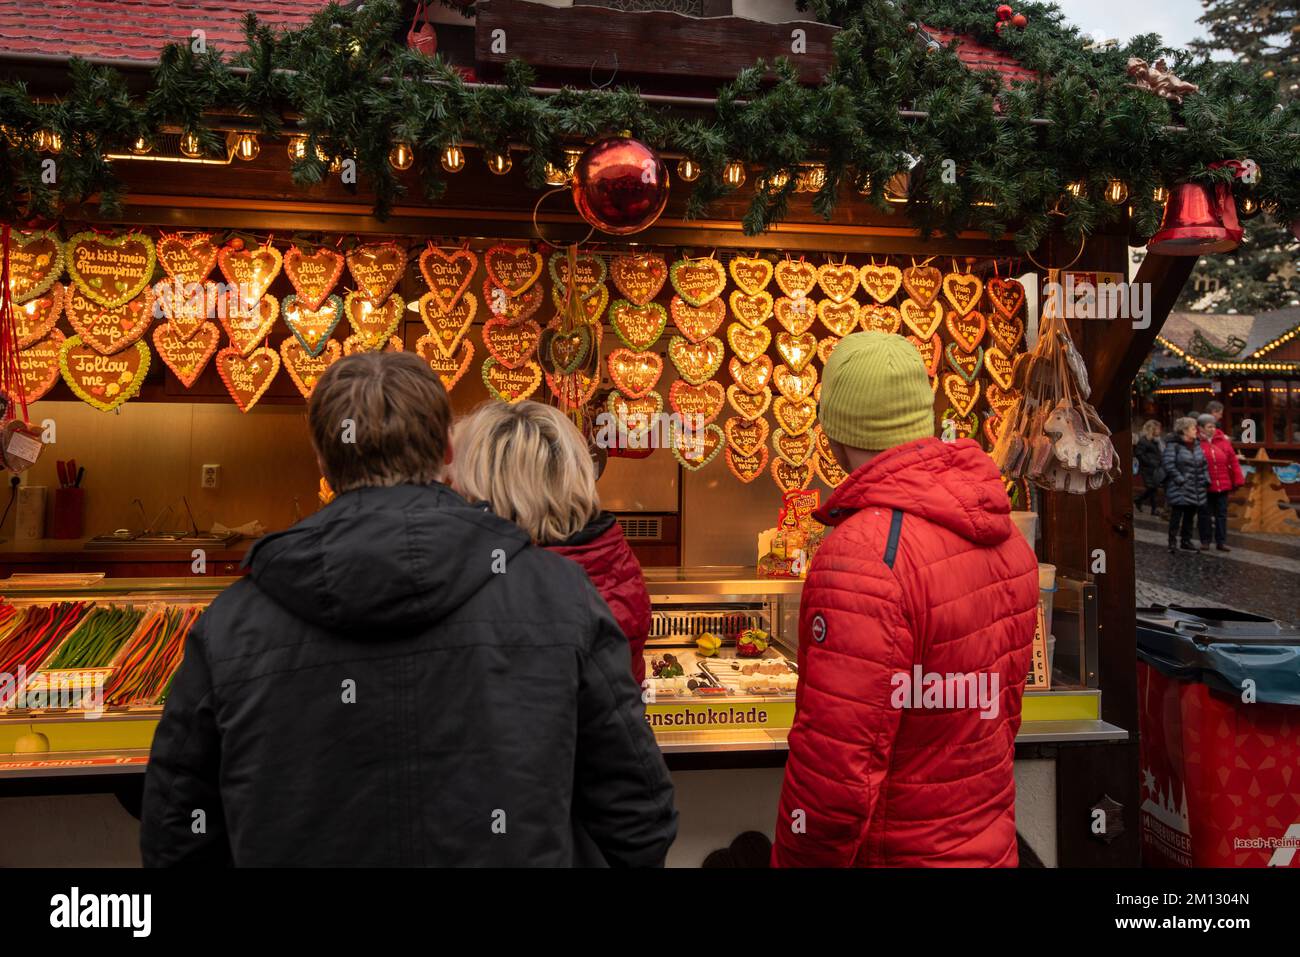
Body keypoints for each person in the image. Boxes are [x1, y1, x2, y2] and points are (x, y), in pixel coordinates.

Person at [140, 352, 677, 867]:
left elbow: (177, 830)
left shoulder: (232, 624)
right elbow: (637, 815)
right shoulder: (560, 595)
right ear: (448, 451)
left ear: (323, 457)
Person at [772, 331, 1039, 868]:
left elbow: (836, 779)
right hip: (987, 845)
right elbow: (1002, 717)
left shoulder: (865, 552)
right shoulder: (1005, 534)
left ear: (834, 430)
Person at [451, 400, 652, 685]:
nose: (454, 489)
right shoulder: (610, 560)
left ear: (492, 491)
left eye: (459, 479)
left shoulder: (507, 588)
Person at [1197, 412, 1244, 552]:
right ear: (1201, 428)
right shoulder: (1196, 442)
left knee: (1221, 514)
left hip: (1222, 484)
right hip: (1205, 484)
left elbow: (1233, 461)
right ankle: (1205, 540)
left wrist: (1238, 478)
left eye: (1213, 426)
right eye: (1209, 426)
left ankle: (1221, 541)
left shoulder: (1223, 441)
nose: (1212, 429)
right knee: (1204, 514)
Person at [1161, 416, 1209, 553]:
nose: (1196, 431)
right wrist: (1180, 479)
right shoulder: (1173, 445)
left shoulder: (1197, 445)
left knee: (1189, 516)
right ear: (1184, 430)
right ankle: (1172, 542)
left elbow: (1204, 463)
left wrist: (1206, 479)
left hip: (1196, 486)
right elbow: (1168, 464)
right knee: (1176, 516)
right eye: (1193, 428)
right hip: (1180, 487)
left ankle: (1186, 541)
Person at [1133, 420, 1166, 515]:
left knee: (1153, 488)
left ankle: (1140, 501)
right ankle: (1152, 508)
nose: (1160, 431)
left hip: (1155, 468)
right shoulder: (1144, 441)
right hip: (1147, 469)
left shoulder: (1156, 441)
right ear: (1152, 429)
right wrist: (1149, 462)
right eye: (1158, 429)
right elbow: (1139, 454)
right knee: (1152, 488)